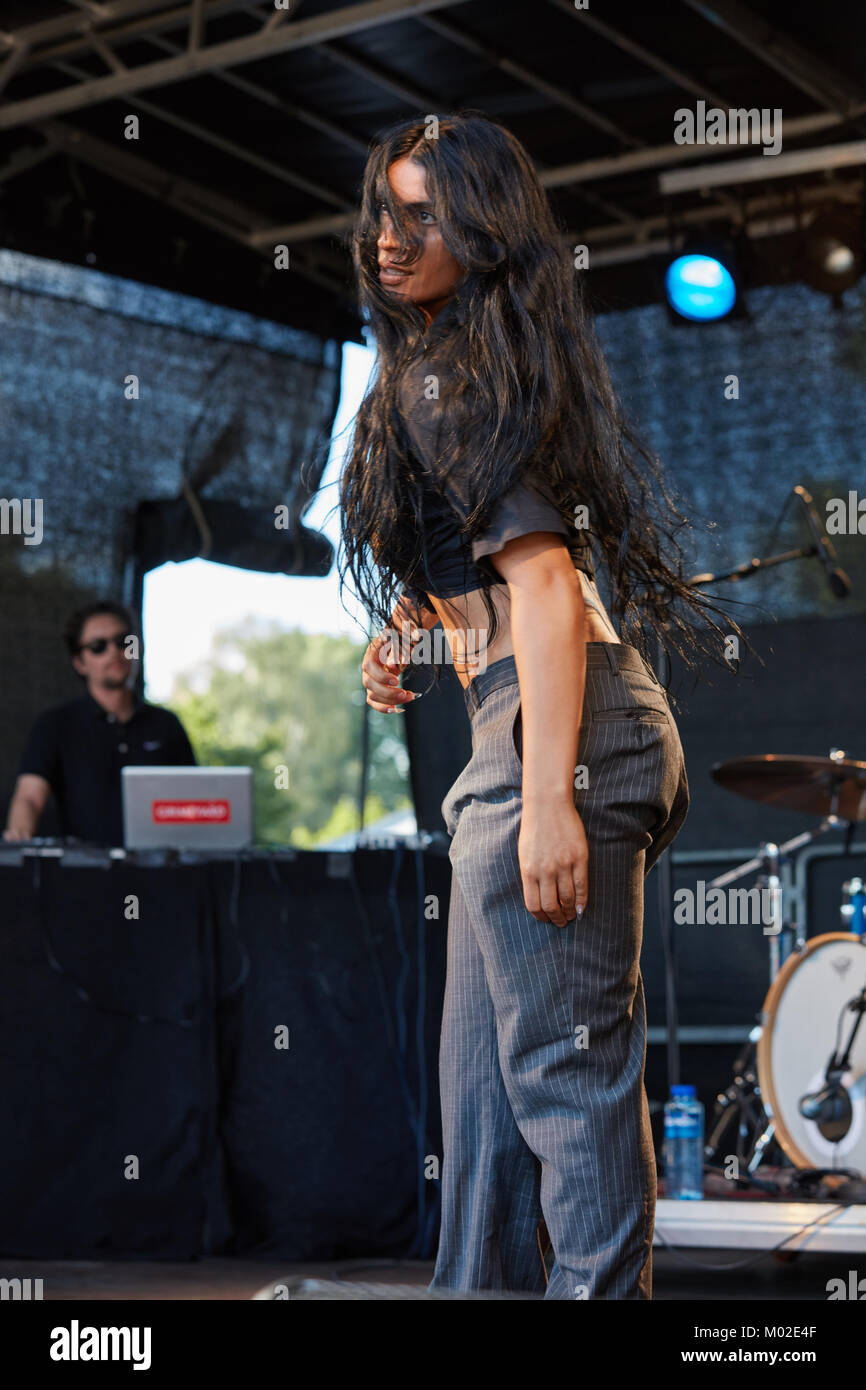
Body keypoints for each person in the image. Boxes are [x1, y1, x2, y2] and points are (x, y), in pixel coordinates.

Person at [341, 113, 736, 1300]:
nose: (389, 238)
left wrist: (552, 794)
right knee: (486, 1131)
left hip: (551, 737)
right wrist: (410, 630)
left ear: (485, 229)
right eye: (381, 210)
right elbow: (486, 575)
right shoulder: (452, 367)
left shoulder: (453, 376)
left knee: (564, 1108)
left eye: (423, 216)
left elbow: (550, 587)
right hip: (518, 730)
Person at [4, 600, 196, 846]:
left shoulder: (166, 724)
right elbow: (29, 796)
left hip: (160, 871)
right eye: (98, 646)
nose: (114, 652)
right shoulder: (55, 724)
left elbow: (193, 803)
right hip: (84, 873)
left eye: (124, 641)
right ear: (79, 662)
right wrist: (19, 840)